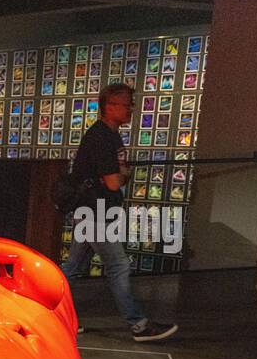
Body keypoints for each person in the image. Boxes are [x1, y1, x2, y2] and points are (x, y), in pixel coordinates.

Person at [61, 82, 178, 342]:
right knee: (118, 265)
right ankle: (139, 325)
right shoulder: (103, 137)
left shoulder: (107, 135)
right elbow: (115, 180)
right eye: (126, 104)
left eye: (130, 104)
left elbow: (113, 178)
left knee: (72, 268)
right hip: (96, 211)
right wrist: (123, 174)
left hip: (94, 210)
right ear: (109, 106)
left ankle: (53, 317)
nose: (130, 109)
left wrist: (119, 175)